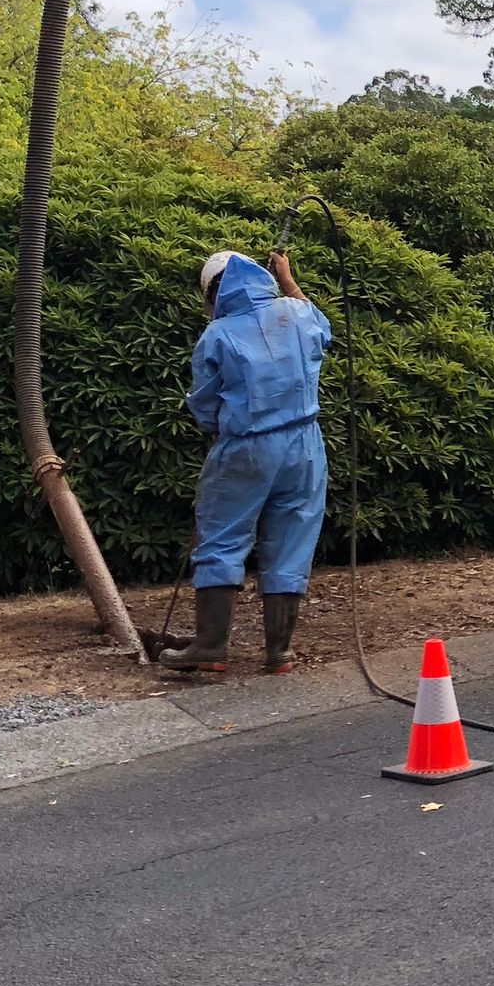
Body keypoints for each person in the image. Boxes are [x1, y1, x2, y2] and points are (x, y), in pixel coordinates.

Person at [157, 248, 331, 676]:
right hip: (306, 445)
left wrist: (219, 425)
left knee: (222, 537)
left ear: (214, 295)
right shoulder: (298, 313)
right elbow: (320, 328)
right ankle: (279, 653)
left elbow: (204, 405)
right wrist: (288, 278)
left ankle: (211, 648)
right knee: (293, 537)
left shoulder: (217, 335)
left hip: (246, 447)